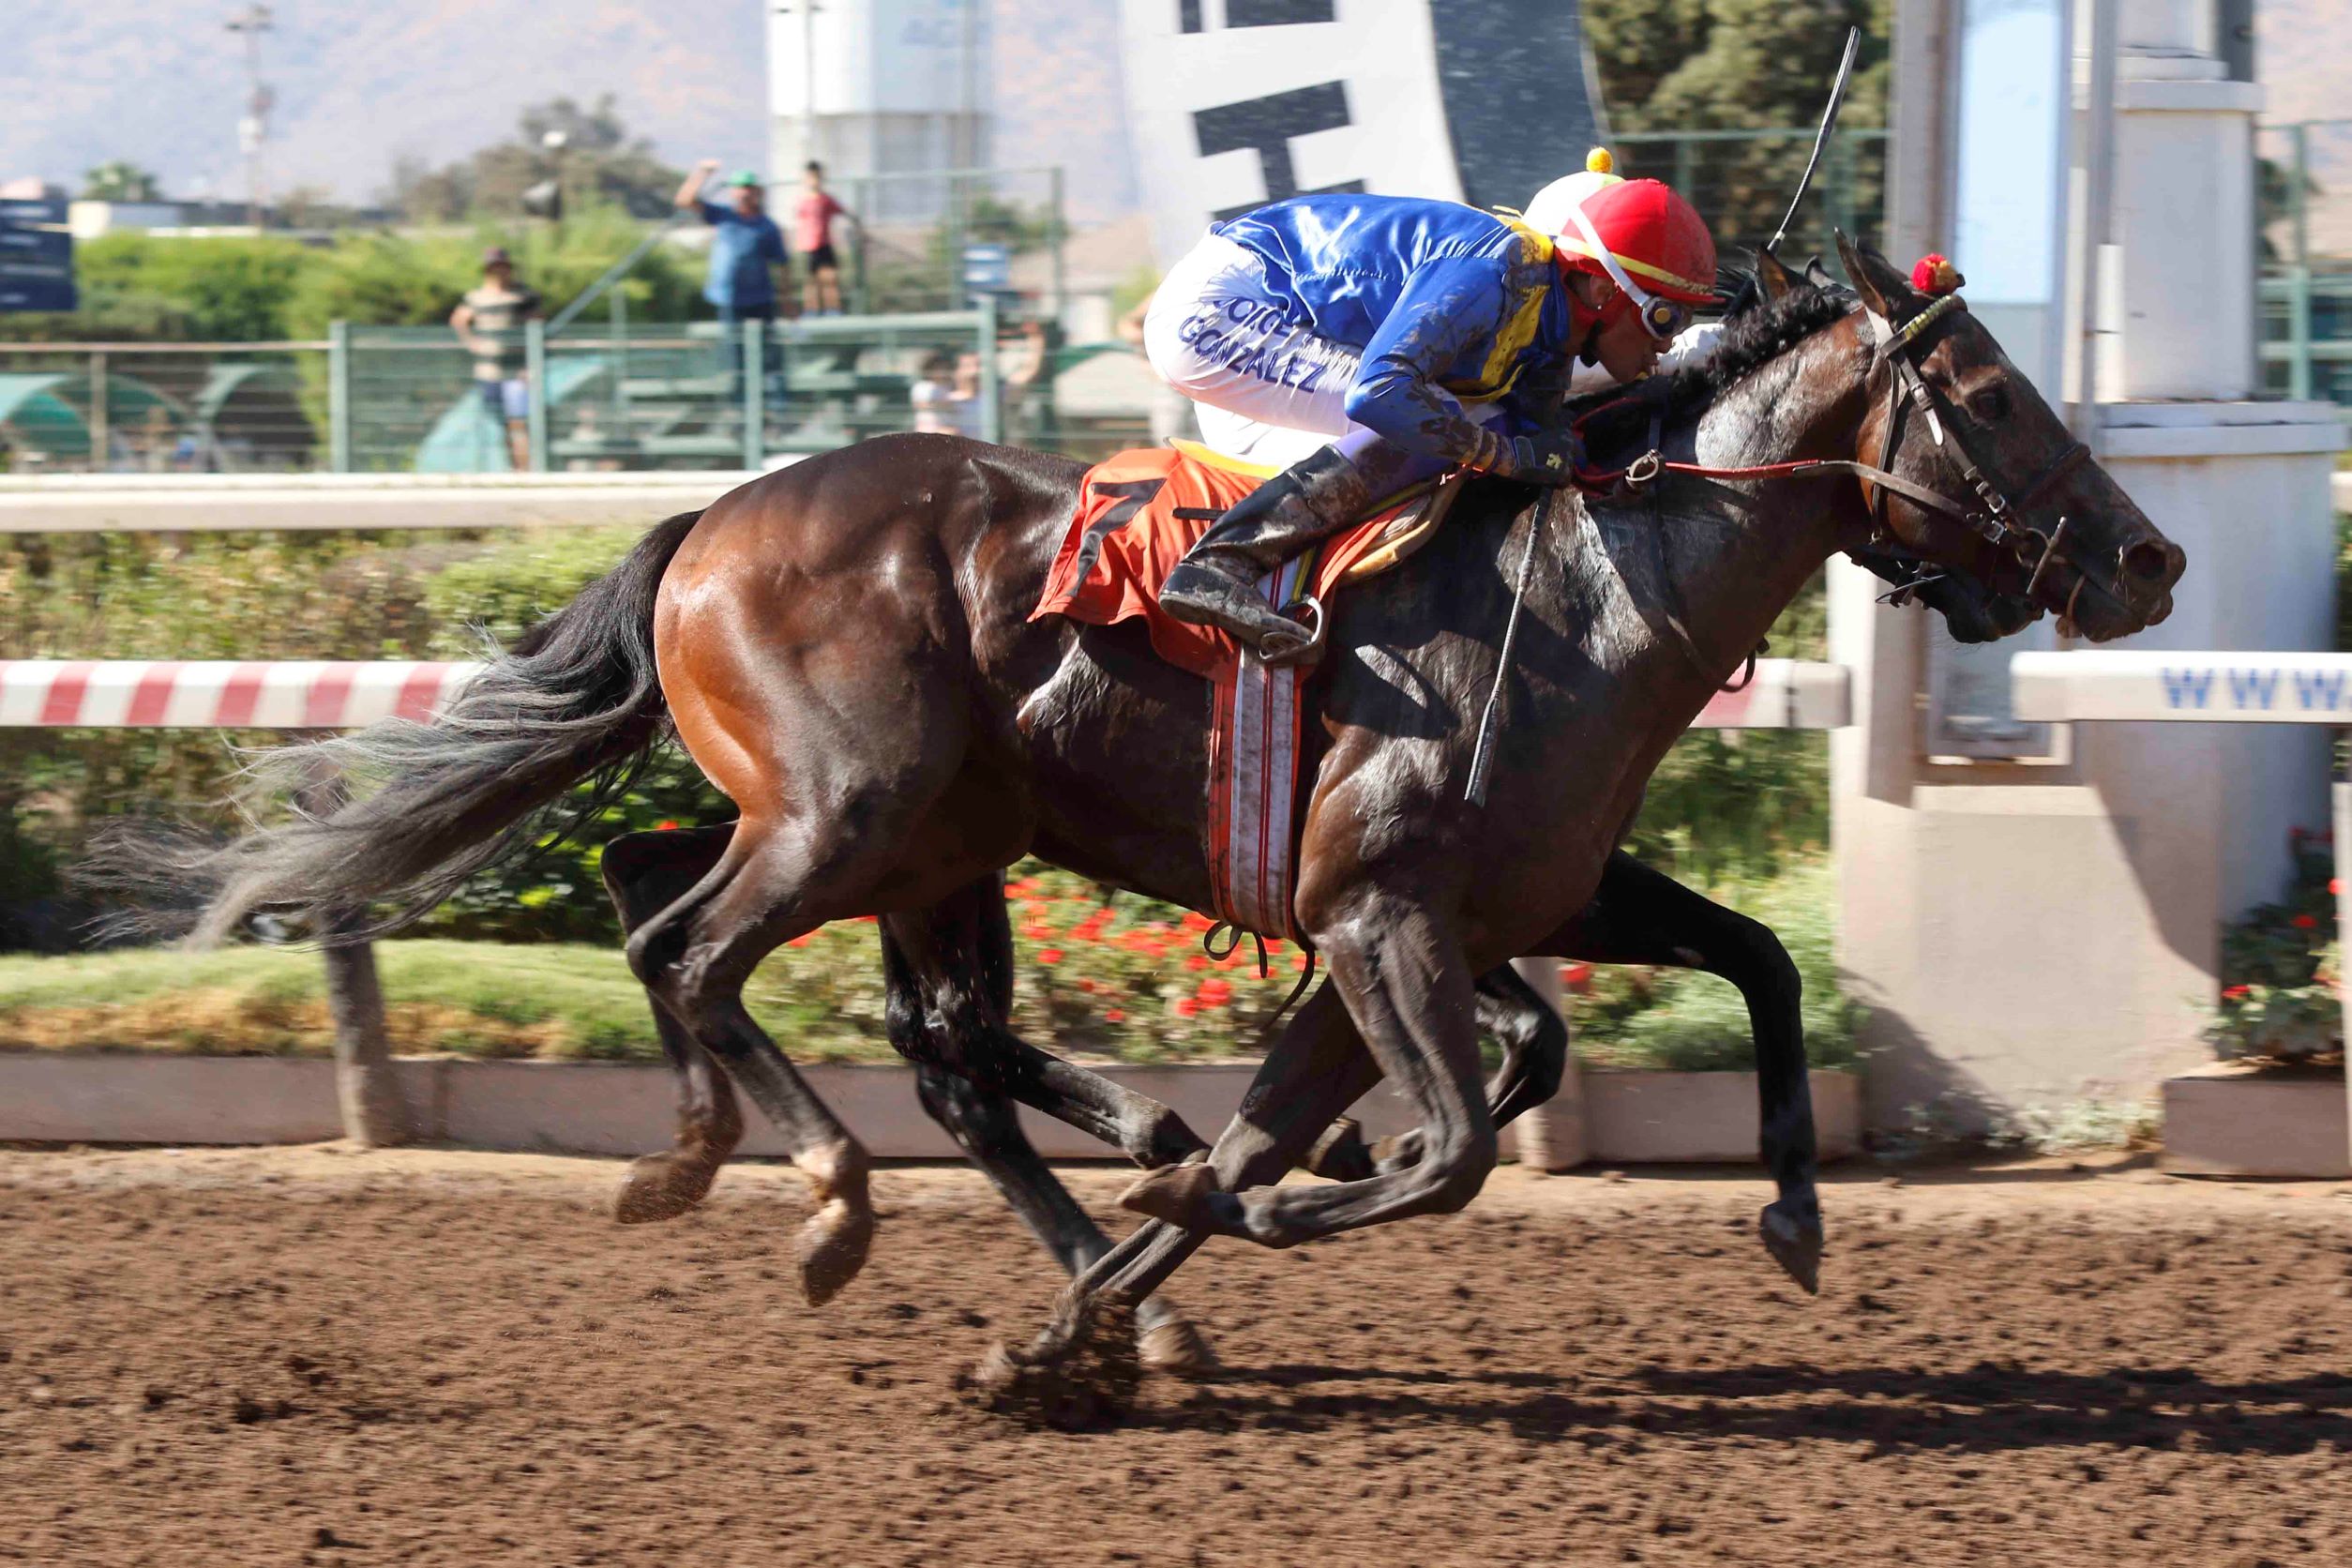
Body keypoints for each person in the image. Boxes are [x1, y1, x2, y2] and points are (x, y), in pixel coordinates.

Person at [1141, 152, 1718, 660]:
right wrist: (1497, 454)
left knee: (1474, 420)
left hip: (1277, 314)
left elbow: (1543, 441)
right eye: (1664, 316)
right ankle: (1218, 563)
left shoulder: (1552, 322)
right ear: (1602, 288)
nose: (1667, 342)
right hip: (1218, 308)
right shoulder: (1496, 272)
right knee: (1430, 413)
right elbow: (1380, 392)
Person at [674, 160, 788, 401]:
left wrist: (788, 302)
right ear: (733, 192)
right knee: (735, 357)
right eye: (739, 188)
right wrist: (702, 173)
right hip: (729, 300)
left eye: (748, 188)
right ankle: (740, 408)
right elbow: (684, 201)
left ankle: (776, 405)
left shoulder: (767, 227)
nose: (744, 193)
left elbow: (782, 265)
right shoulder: (722, 216)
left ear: (757, 192)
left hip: (760, 300)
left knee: (769, 355)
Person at [448, 246, 544, 471]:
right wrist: (471, 342)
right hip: (488, 371)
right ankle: (511, 468)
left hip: (517, 371)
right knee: (498, 422)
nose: (499, 272)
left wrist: (532, 362)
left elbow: (537, 325)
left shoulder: (524, 296)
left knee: (518, 421)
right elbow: (459, 320)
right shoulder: (476, 298)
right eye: (494, 267)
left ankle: (524, 469)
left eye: (502, 267)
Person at [793, 161, 856, 316]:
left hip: (825, 244)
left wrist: (856, 225)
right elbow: (800, 223)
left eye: (817, 177)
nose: (814, 181)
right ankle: (811, 311)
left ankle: (832, 310)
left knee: (830, 278)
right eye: (811, 177)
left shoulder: (826, 200)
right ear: (806, 179)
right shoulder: (803, 202)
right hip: (810, 247)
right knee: (811, 281)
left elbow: (844, 212)